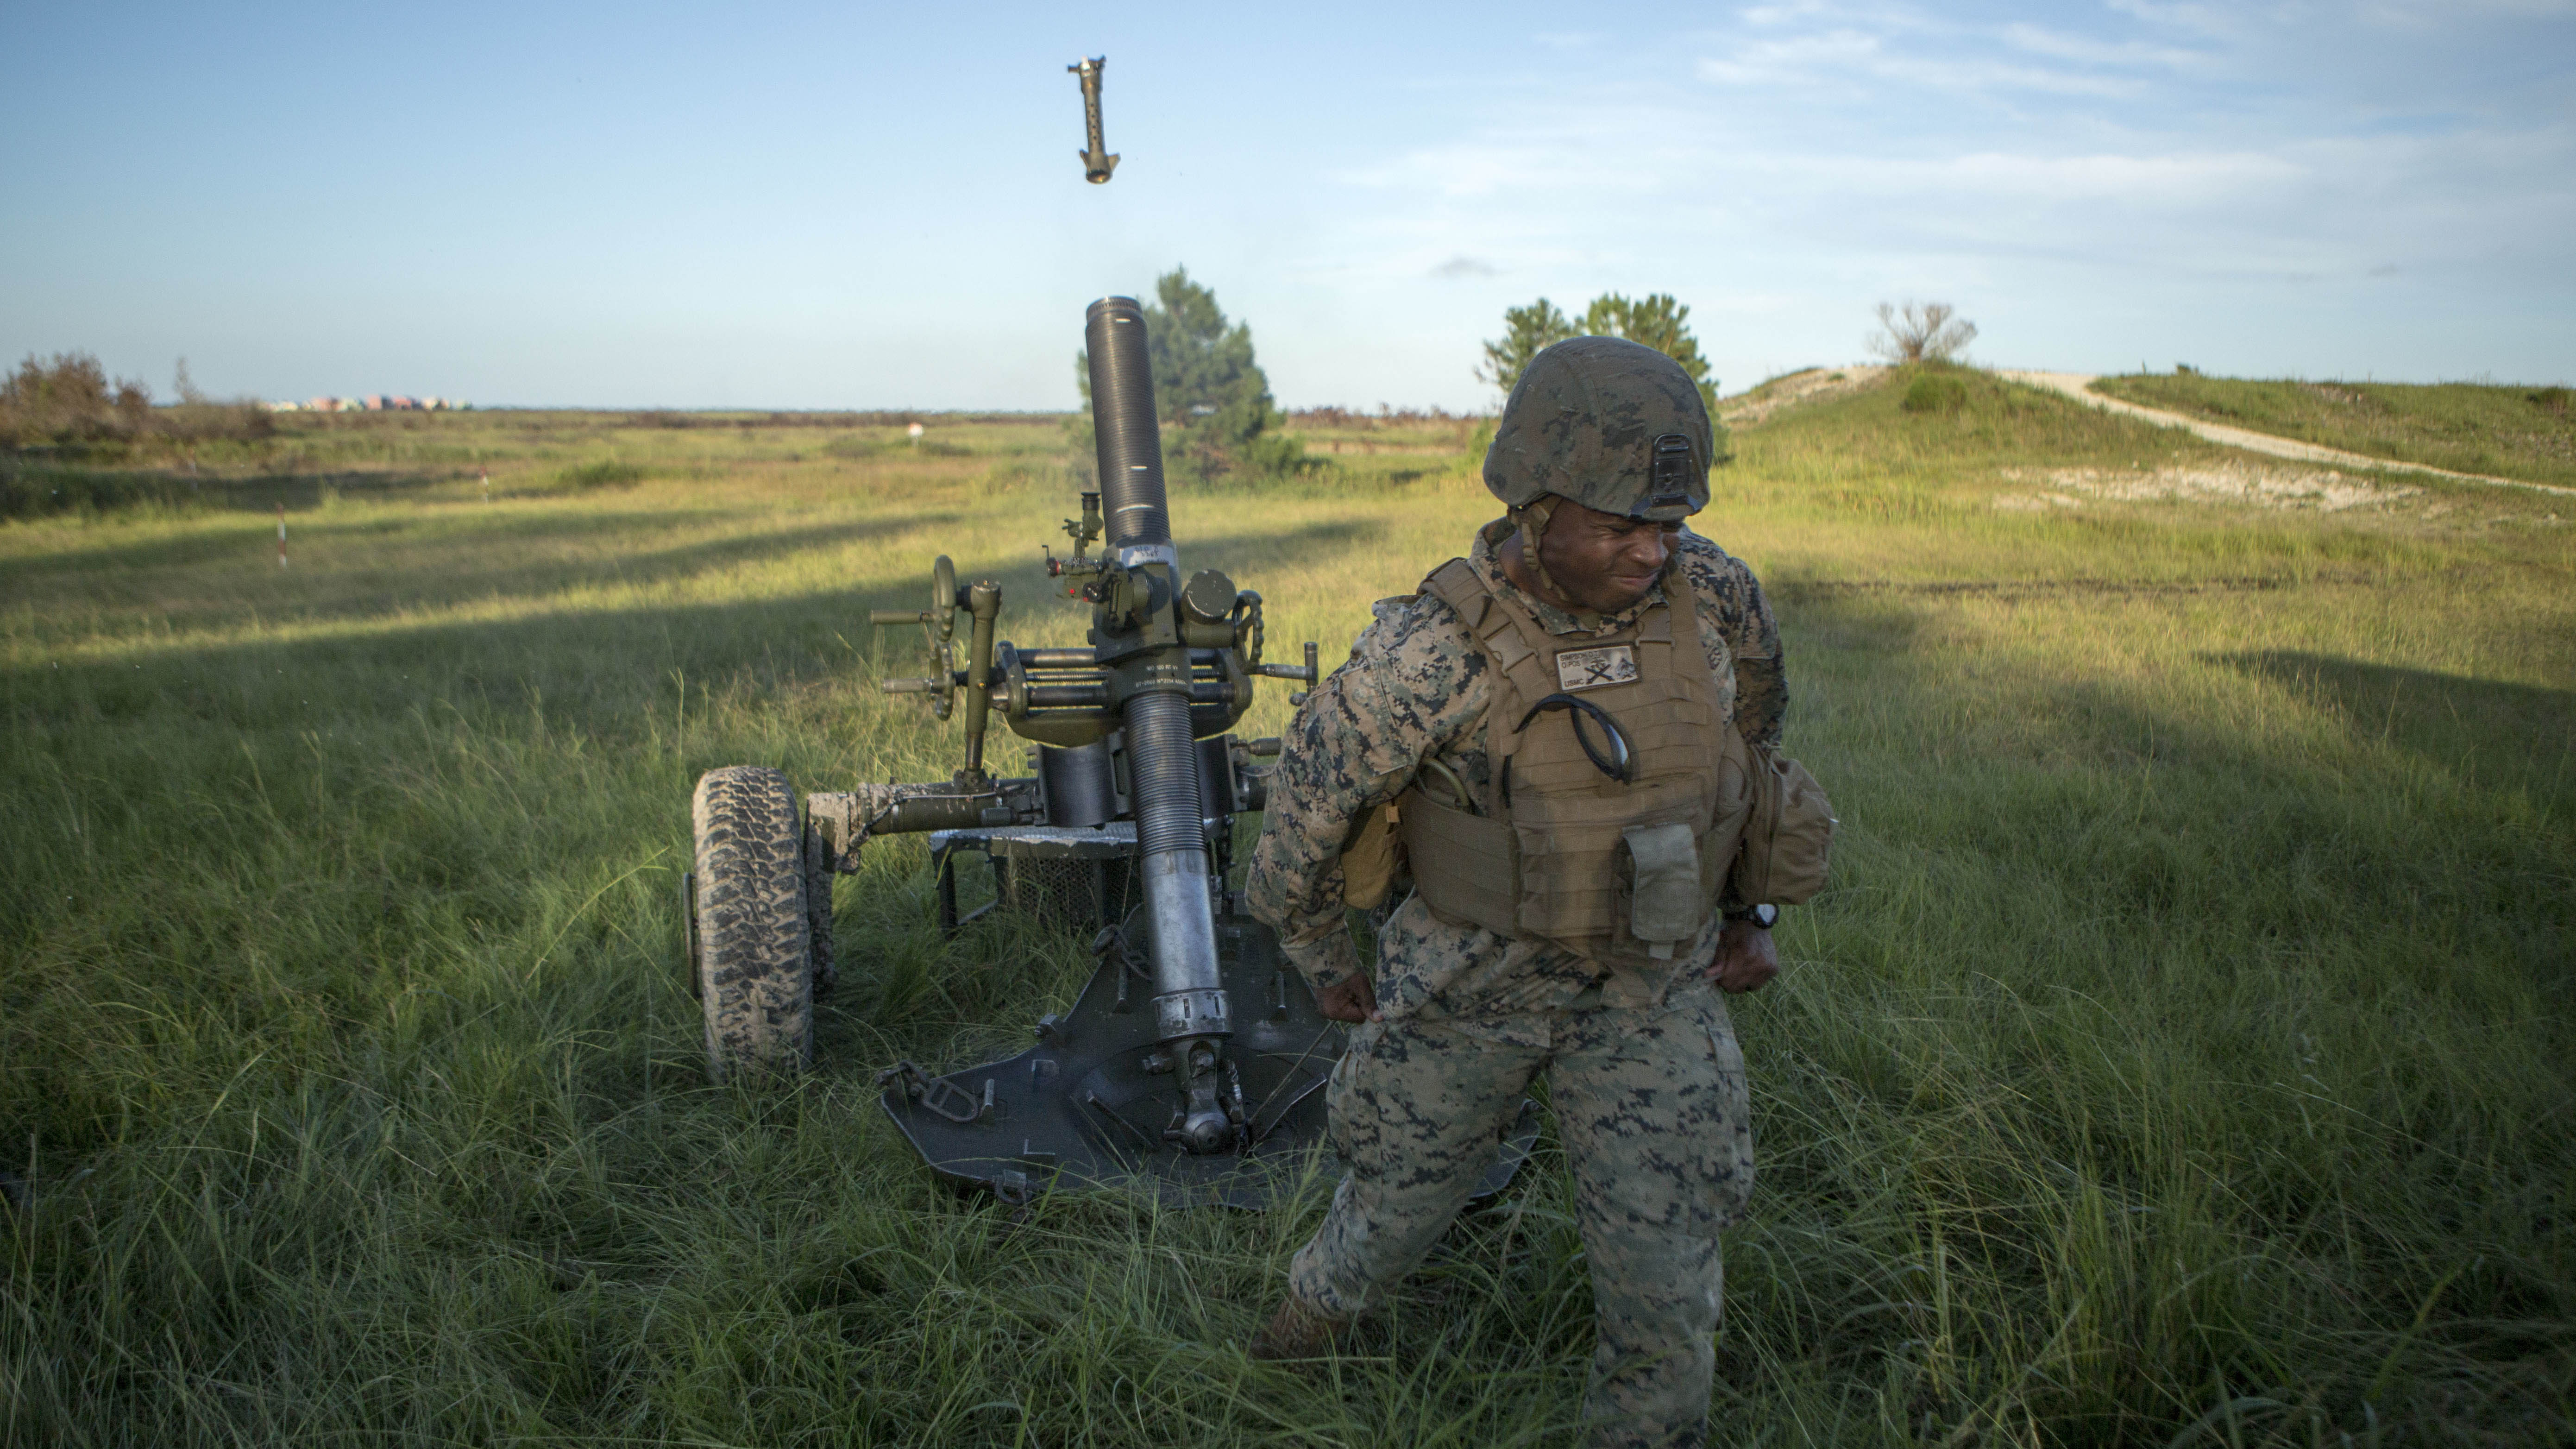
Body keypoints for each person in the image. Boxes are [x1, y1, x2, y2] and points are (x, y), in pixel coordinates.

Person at [1243, 336, 1788, 1449]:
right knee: (1390, 1211)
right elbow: (1303, 814)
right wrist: (1325, 961)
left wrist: (1751, 909)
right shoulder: (1427, 652)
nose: (1653, 550)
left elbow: (1751, 761)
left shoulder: (1717, 598)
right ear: (1538, 506)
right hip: (1467, 991)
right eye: (1621, 524)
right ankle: (1294, 1340)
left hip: (1651, 988)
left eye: (1670, 522)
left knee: (1668, 1259)